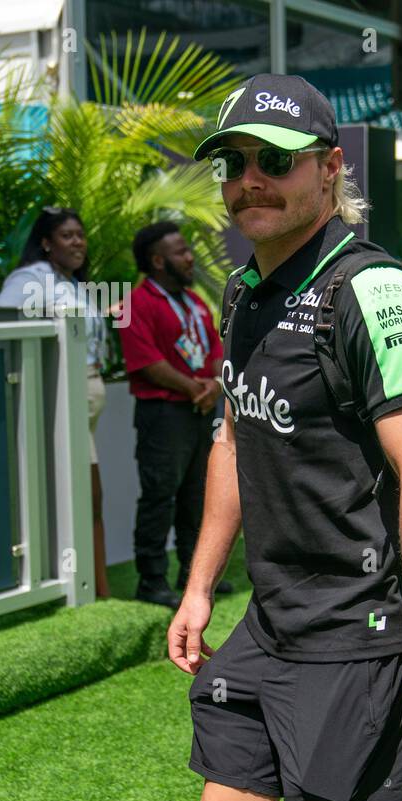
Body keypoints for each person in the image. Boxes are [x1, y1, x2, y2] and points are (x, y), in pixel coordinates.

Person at [166, 73, 402, 801]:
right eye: (236, 162)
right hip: (277, 615)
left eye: (275, 163)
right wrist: (200, 586)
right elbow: (232, 439)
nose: (251, 180)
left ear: (329, 169)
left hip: (360, 624)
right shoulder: (243, 289)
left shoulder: (374, 288)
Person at [0, 206, 111, 598]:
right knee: (87, 496)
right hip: (57, 403)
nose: (78, 242)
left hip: (85, 399)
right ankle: (95, 593)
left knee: (83, 497)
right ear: (45, 243)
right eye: (67, 235)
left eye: (81, 234)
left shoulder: (73, 282)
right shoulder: (30, 279)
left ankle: (91, 587)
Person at [119, 221, 231, 608]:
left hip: (199, 409)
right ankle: (151, 580)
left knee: (196, 496)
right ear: (157, 260)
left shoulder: (195, 301)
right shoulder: (134, 303)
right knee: (159, 496)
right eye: (181, 251)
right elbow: (146, 361)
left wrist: (214, 385)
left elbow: (216, 348)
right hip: (163, 413)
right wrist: (194, 387)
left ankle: (190, 575)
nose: (190, 258)